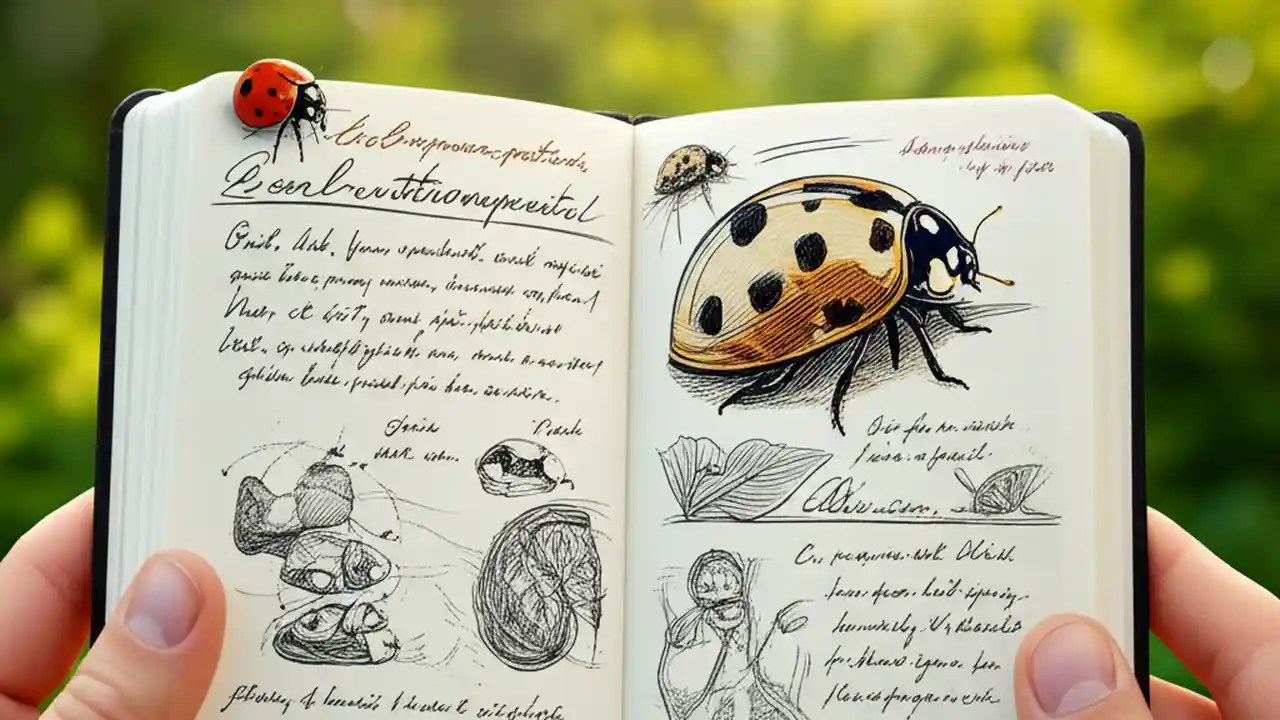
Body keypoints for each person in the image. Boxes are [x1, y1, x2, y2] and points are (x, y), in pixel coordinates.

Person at [0, 493, 1276, 719]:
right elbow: (681, 682)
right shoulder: (679, 631)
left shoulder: (737, 627)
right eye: (710, 576)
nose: (720, 584)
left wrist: (755, 648)